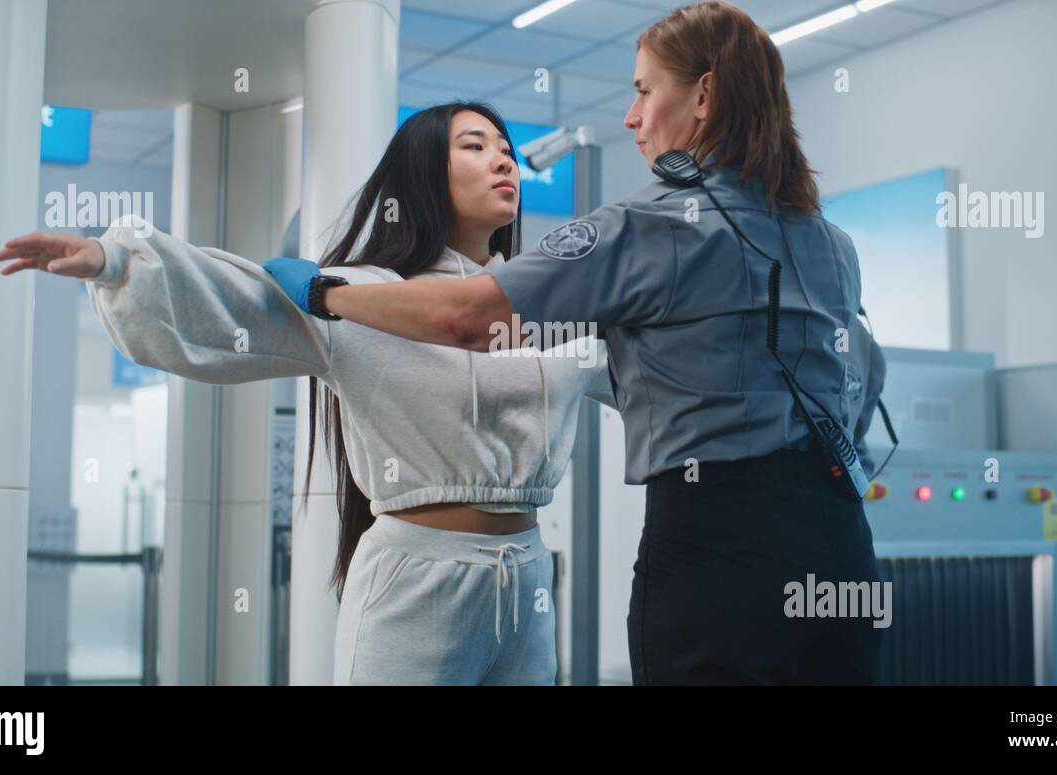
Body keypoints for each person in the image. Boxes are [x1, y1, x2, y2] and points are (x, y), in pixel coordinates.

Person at [268, 2, 888, 685]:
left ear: (703, 95)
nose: (631, 117)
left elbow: (469, 319)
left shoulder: (651, 227)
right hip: (838, 546)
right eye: (473, 147)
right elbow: (863, 380)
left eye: (645, 91)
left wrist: (322, 292)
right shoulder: (833, 244)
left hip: (720, 546)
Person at [0, 101, 615, 685]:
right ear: (422, 176)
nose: (504, 159)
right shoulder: (365, 295)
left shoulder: (547, 307)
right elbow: (237, 294)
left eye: (505, 148)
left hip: (526, 576)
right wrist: (114, 260)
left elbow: (644, 369)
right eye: (475, 146)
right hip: (418, 581)